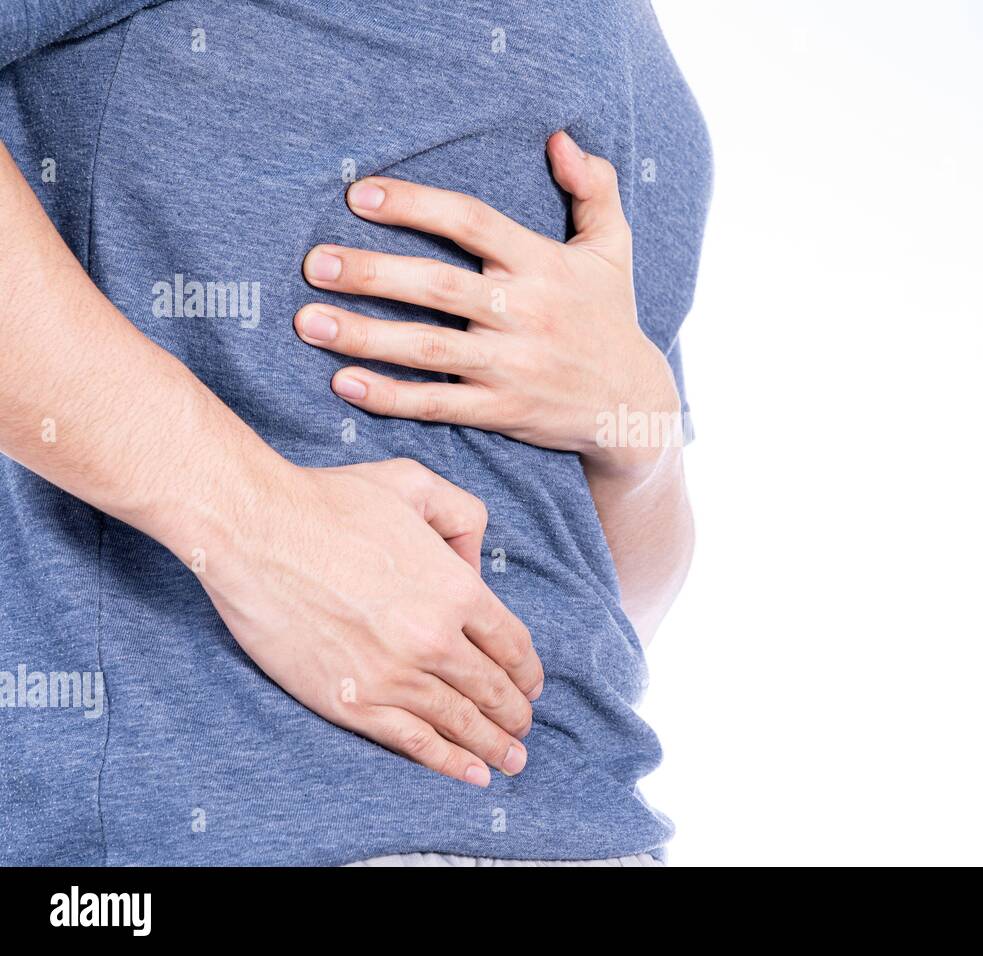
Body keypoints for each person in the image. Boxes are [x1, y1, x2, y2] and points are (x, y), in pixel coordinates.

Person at [0, 0, 711, 865]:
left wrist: (641, 436)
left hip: (592, 830)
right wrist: (257, 523)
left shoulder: (639, 54)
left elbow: (609, 601)